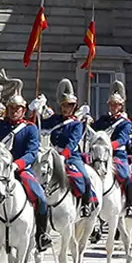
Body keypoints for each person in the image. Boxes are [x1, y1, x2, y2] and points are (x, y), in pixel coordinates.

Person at [0, 73, 52, 253]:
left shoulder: (30, 128)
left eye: (18, 109)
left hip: (19, 170)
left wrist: (17, 165)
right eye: (11, 108)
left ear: (23, 110)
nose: (14, 111)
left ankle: (41, 235)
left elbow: (31, 152)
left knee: (41, 197)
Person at [41, 79, 99, 216]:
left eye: (71, 106)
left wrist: (64, 155)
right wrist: (35, 112)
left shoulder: (76, 124)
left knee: (85, 177)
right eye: (66, 105)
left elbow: (73, 142)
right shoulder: (54, 120)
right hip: (52, 153)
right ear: (61, 106)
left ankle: (86, 203)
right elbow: (39, 125)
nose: (68, 108)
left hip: (71, 156)